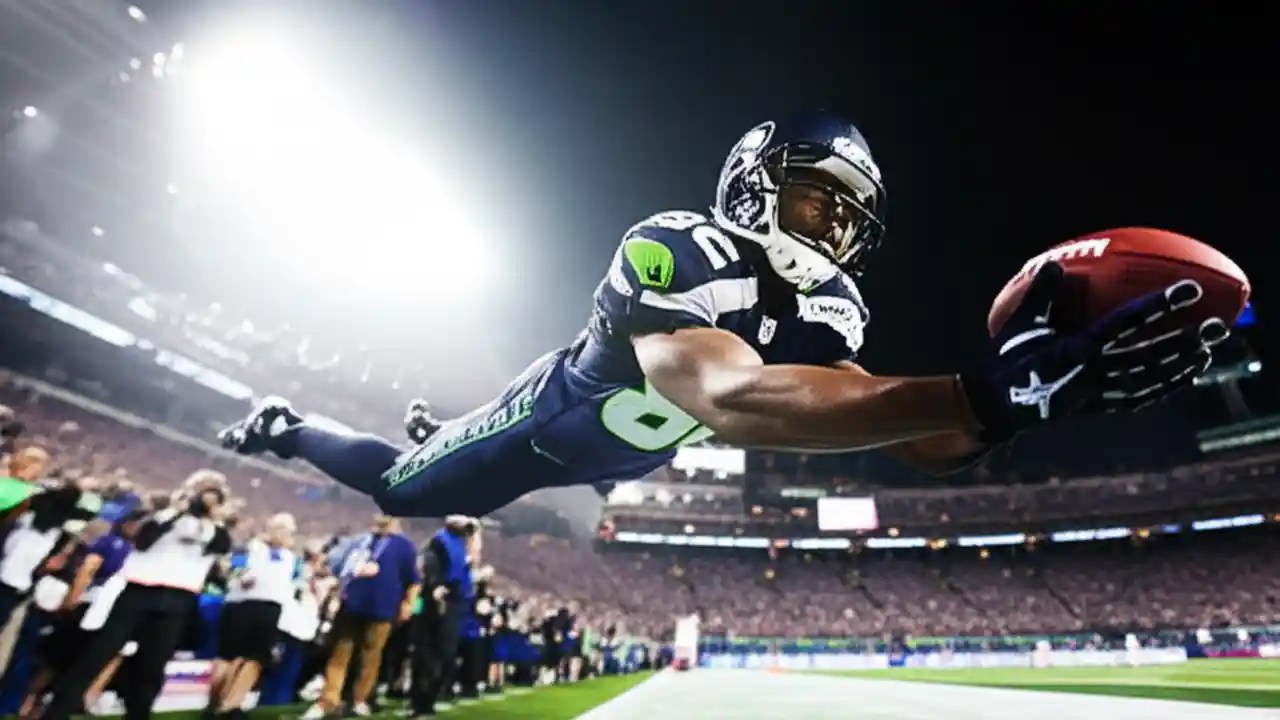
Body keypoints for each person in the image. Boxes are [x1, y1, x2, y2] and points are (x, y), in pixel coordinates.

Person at [217, 111, 1228, 517]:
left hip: (633, 461)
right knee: (406, 492)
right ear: (752, 184)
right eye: (817, 194)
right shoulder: (680, 243)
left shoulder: (834, 299)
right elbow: (732, 397)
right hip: (558, 417)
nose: (835, 224)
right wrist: (973, 389)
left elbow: (878, 421)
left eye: (851, 212)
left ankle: (437, 425)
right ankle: (286, 423)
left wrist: (1009, 409)